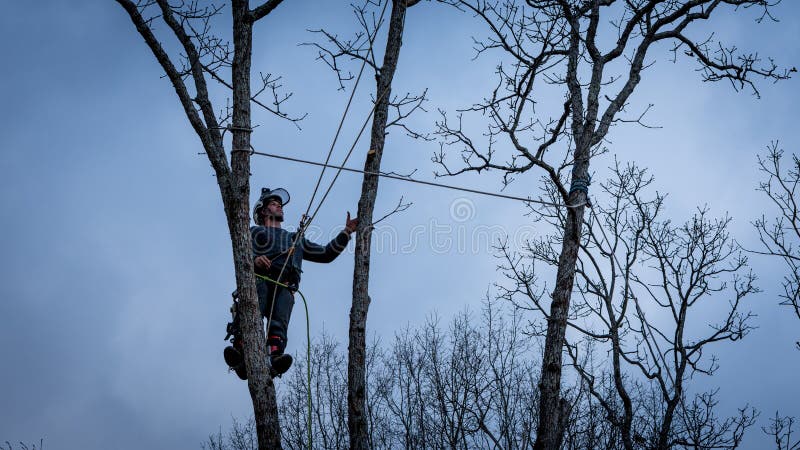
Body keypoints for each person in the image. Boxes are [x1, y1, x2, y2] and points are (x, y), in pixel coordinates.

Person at [224, 187, 358, 379]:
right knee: (256, 301)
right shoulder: (253, 232)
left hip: (285, 286)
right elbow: (240, 254)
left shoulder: (294, 240)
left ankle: (275, 355)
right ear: (263, 211)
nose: (279, 206)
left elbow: (326, 254)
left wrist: (346, 232)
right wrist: (254, 260)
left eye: (280, 205)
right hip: (259, 281)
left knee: (280, 315)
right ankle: (241, 348)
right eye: (273, 204)